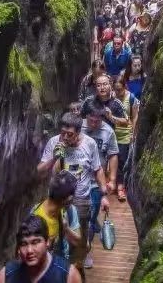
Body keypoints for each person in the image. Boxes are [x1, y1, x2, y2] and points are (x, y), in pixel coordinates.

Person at [38, 113, 109, 273]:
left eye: (69, 134)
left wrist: (104, 195)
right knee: (55, 239)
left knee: (79, 239)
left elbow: (98, 169)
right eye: (62, 133)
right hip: (57, 200)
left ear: (78, 132)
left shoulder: (89, 144)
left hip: (80, 200)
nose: (64, 137)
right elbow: (40, 172)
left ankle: (77, 267)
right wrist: (54, 158)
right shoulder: (54, 142)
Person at [0, 215, 81, 283]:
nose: (29, 250)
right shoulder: (5, 277)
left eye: (35, 242)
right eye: (24, 244)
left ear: (47, 242)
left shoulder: (67, 275)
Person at [31, 171, 81, 263]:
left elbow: (77, 241)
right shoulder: (36, 217)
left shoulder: (69, 210)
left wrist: (66, 229)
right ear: (69, 198)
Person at [82, 103, 119, 199]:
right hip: (79, 178)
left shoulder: (108, 131)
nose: (94, 124)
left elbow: (113, 155)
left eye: (97, 121)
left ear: (102, 119)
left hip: (97, 180)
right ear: (86, 116)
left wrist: (112, 180)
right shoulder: (78, 127)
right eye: (91, 121)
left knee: (94, 209)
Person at [113, 76, 139, 202]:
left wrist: (133, 133)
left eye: (120, 90)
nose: (118, 93)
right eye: (116, 90)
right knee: (114, 161)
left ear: (125, 87)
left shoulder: (131, 98)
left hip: (125, 135)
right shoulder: (112, 98)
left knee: (122, 161)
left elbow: (135, 117)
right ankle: (117, 183)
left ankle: (120, 187)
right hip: (112, 135)